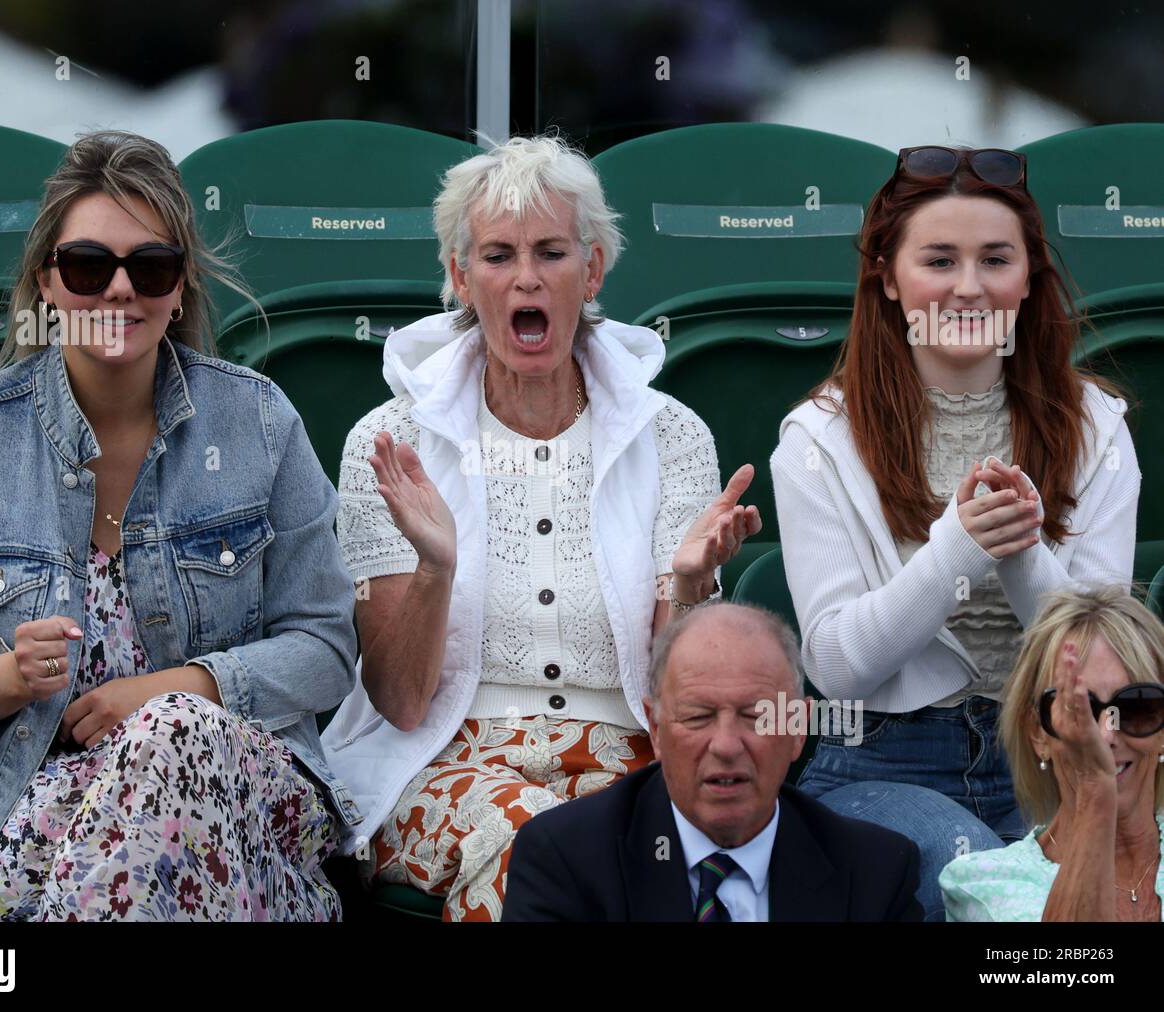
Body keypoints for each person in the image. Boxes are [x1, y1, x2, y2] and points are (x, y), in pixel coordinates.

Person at [0, 130, 359, 921]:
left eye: (151, 268)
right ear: (47, 284)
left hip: (238, 801)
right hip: (19, 814)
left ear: (180, 289)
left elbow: (327, 648)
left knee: (172, 737)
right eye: (86, 267)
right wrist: (6, 678)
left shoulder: (259, 424)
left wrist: (176, 693)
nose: (118, 292)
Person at [323, 134, 762, 921]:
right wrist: (434, 570)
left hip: (631, 756)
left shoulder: (673, 436)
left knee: (658, 865)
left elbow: (679, 690)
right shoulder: (390, 443)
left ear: (591, 271)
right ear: (460, 277)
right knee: (539, 852)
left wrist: (692, 586)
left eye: (552, 252)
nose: (526, 276)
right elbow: (400, 702)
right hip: (447, 759)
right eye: (497, 256)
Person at [769, 145, 1140, 918]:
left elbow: (1102, 671)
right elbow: (838, 666)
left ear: (1029, 277)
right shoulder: (819, 436)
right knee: (986, 888)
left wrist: (1020, 554)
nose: (968, 287)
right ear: (888, 274)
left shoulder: (1098, 426)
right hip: (879, 765)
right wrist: (958, 551)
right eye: (939, 259)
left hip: (1052, 757)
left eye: (995, 259)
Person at [502, 602, 923, 921]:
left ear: (798, 727)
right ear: (656, 728)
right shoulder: (564, 859)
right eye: (698, 717)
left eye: (756, 716)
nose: (725, 745)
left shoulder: (874, 872)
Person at [941, 585, 1164, 920]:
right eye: (1078, 710)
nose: (1104, 735)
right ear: (1037, 734)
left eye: (1137, 706)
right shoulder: (982, 884)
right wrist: (1094, 784)